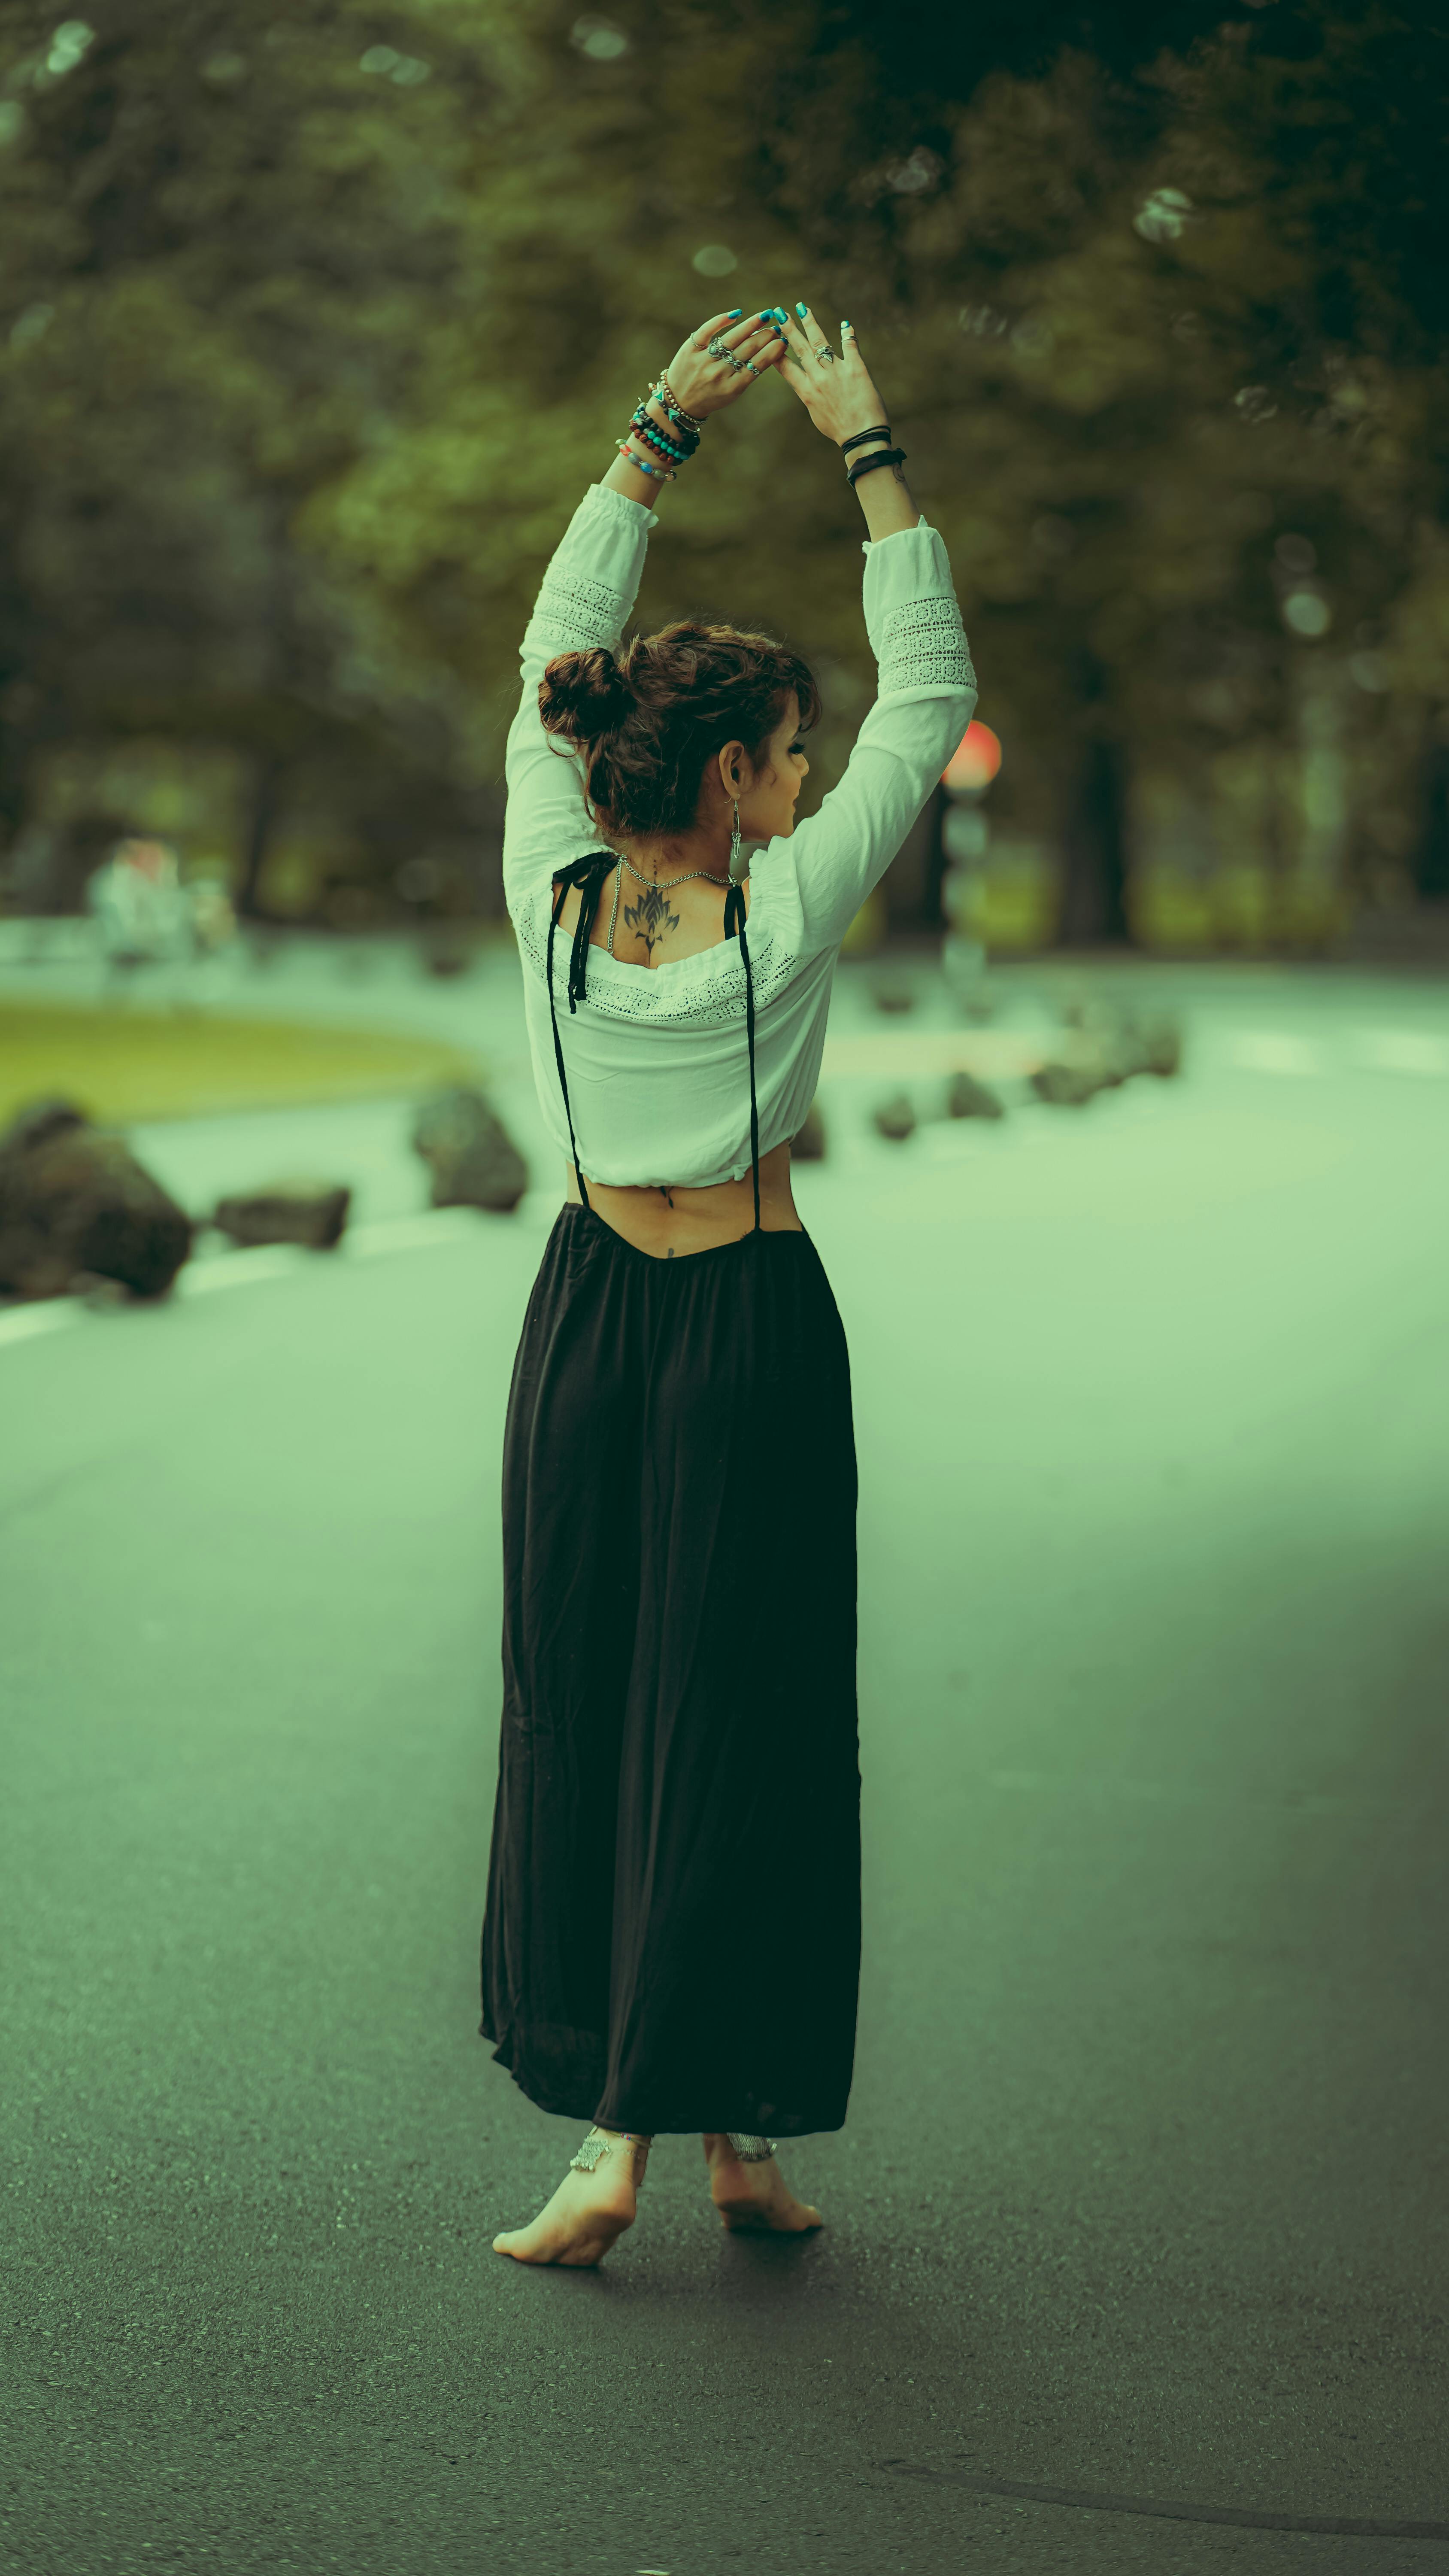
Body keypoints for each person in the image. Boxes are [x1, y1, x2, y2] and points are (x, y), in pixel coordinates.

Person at [481, 299, 976, 2266]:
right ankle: (640, 2134)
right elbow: (926, 695)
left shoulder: (550, 866)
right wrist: (868, 451)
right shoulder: (790, 889)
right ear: (748, 774)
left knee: (631, 1703)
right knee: (705, 1707)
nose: (810, 768)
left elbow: (547, 659)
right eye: (790, 751)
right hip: (731, 1320)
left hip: (599, 1322)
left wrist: (648, 446)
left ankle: (720, 2134)